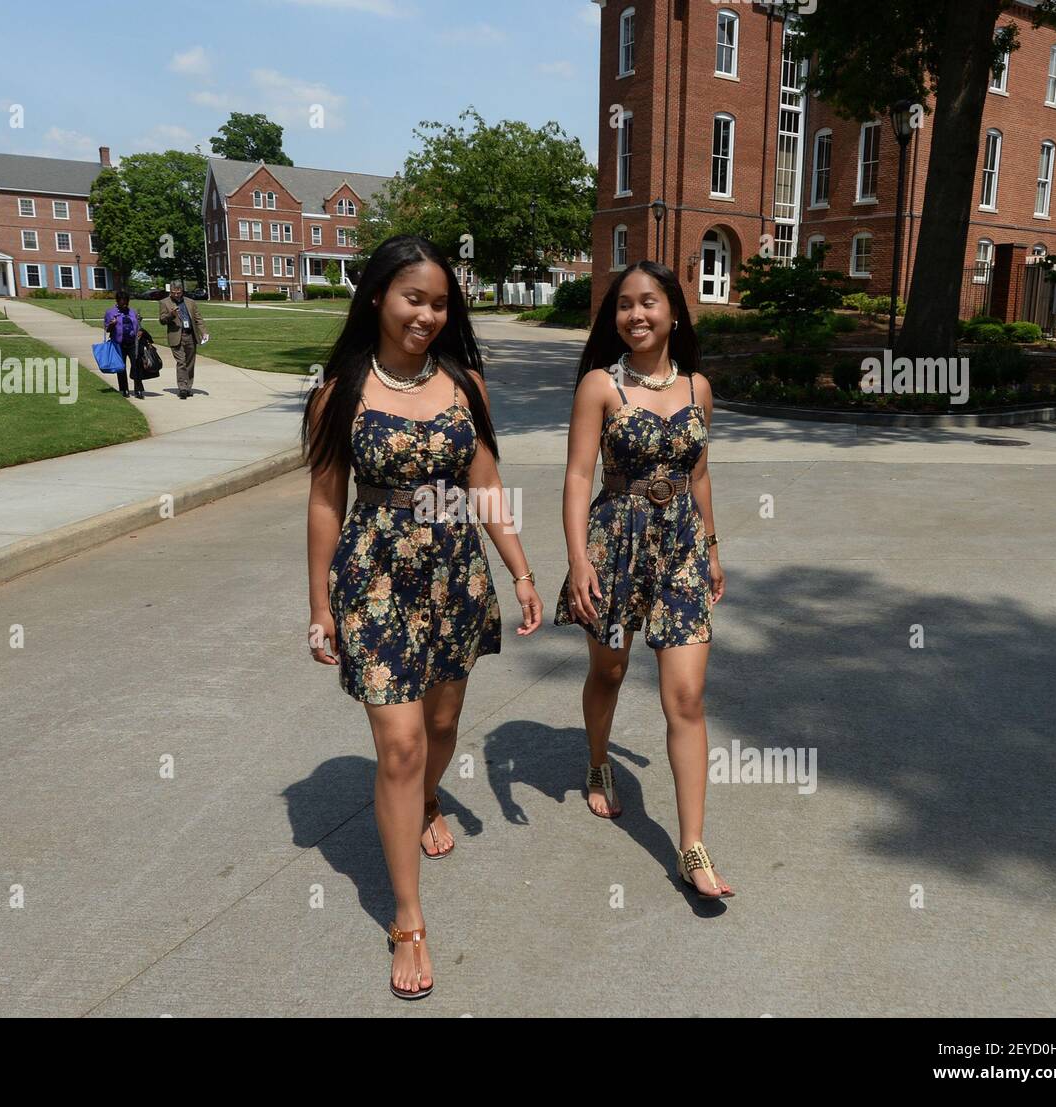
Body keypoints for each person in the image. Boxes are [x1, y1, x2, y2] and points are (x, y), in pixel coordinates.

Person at [302, 234, 542, 1000]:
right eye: (415, 298)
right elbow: (324, 503)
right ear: (378, 296)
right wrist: (318, 607)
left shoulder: (465, 383)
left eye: (441, 302)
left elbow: (486, 484)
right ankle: (408, 917)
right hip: (372, 574)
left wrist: (523, 569)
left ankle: (430, 795)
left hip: (452, 575)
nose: (428, 315)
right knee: (400, 743)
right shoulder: (340, 390)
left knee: (439, 730)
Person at [553, 260, 733, 898]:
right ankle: (598, 763)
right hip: (615, 544)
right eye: (625, 304)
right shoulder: (600, 386)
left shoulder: (698, 389)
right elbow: (578, 476)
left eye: (649, 302)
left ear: (674, 313)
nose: (636, 314)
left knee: (685, 697)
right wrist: (578, 560)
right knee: (609, 670)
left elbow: (701, 475)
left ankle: (691, 845)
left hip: (681, 547)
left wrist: (712, 546)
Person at [158, 280, 207, 398]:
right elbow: (162, 320)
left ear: (182, 291)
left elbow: (198, 319)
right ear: (170, 291)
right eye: (173, 293)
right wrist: (171, 315)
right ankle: (182, 388)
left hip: (190, 335)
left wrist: (204, 332)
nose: (176, 295)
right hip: (176, 336)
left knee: (190, 363)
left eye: (178, 293)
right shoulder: (164, 302)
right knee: (181, 362)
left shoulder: (190, 302)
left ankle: (188, 387)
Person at [102, 290, 143, 399]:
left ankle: (138, 390)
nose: (124, 303)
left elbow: (138, 325)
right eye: (122, 301)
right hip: (119, 343)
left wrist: (139, 330)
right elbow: (107, 329)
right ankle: (124, 389)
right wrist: (112, 324)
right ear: (117, 301)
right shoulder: (110, 312)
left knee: (136, 365)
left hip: (132, 343)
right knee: (121, 367)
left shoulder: (132, 312)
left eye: (126, 301)